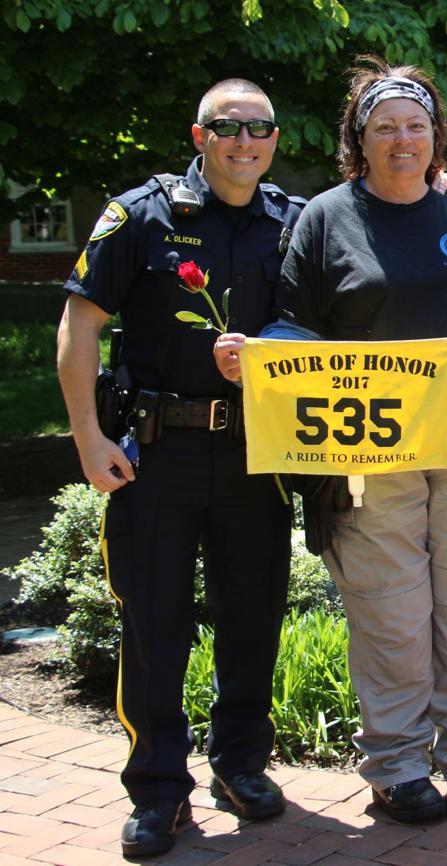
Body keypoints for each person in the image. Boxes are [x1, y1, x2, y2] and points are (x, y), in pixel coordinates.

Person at [215, 56, 447, 823]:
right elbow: (295, 325)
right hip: (370, 459)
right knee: (389, 615)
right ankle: (397, 766)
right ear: (358, 140)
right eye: (384, 128)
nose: (402, 139)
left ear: (435, 135)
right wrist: (260, 360)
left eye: (415, 125)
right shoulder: (326, 219)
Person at [57, 79, 304, 858]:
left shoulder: (295, 223)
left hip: (255, 456)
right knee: (156, 623)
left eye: (258, 129)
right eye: (226, 129)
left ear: (273, 139)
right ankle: (159, 788)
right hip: (156, 453)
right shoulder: (141, 215)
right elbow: (80, 325)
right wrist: (88, 438)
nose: (244, 143)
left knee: (252, 617)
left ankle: (240, 765)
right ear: (199, 137)